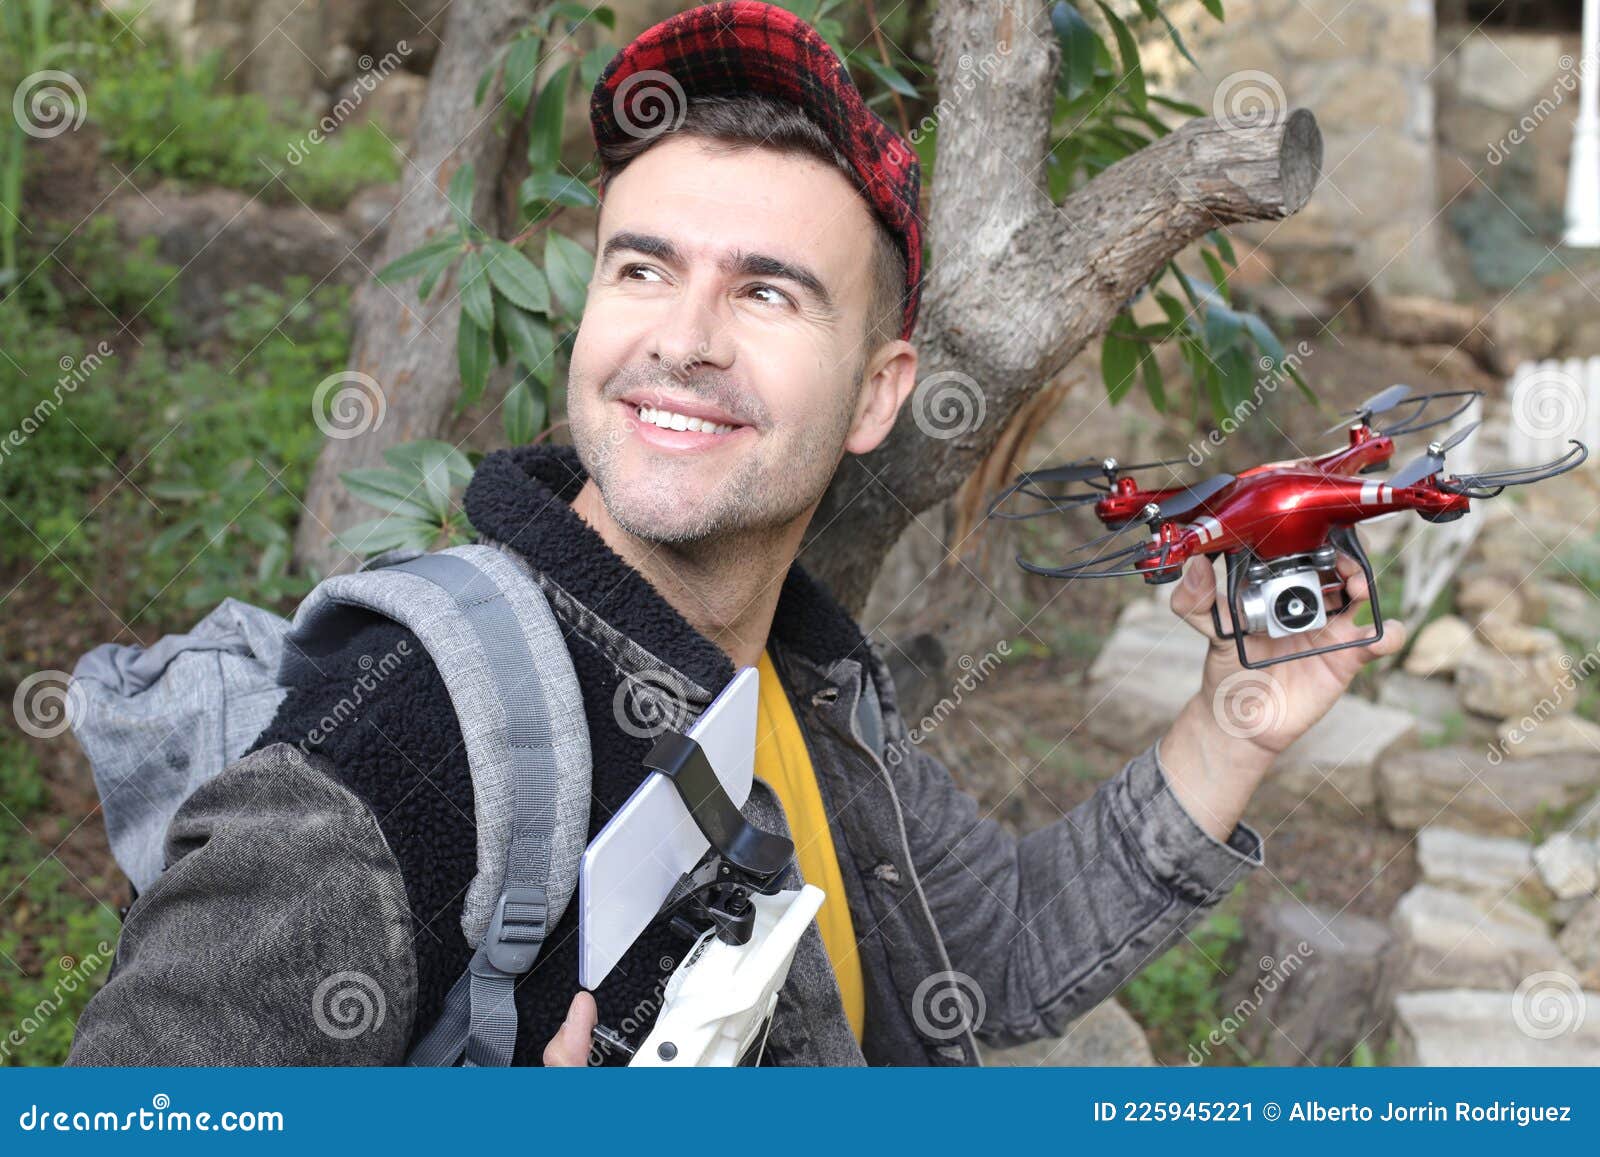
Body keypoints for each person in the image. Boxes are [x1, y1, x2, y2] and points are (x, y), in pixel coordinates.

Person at [68, 1, 1403, 1067]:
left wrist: (1235, 724)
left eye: (767, 291)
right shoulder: (408, 740)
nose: (684, 338)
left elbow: (986, 954)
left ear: (877, 394)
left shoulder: (795, 682)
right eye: (644, 267)